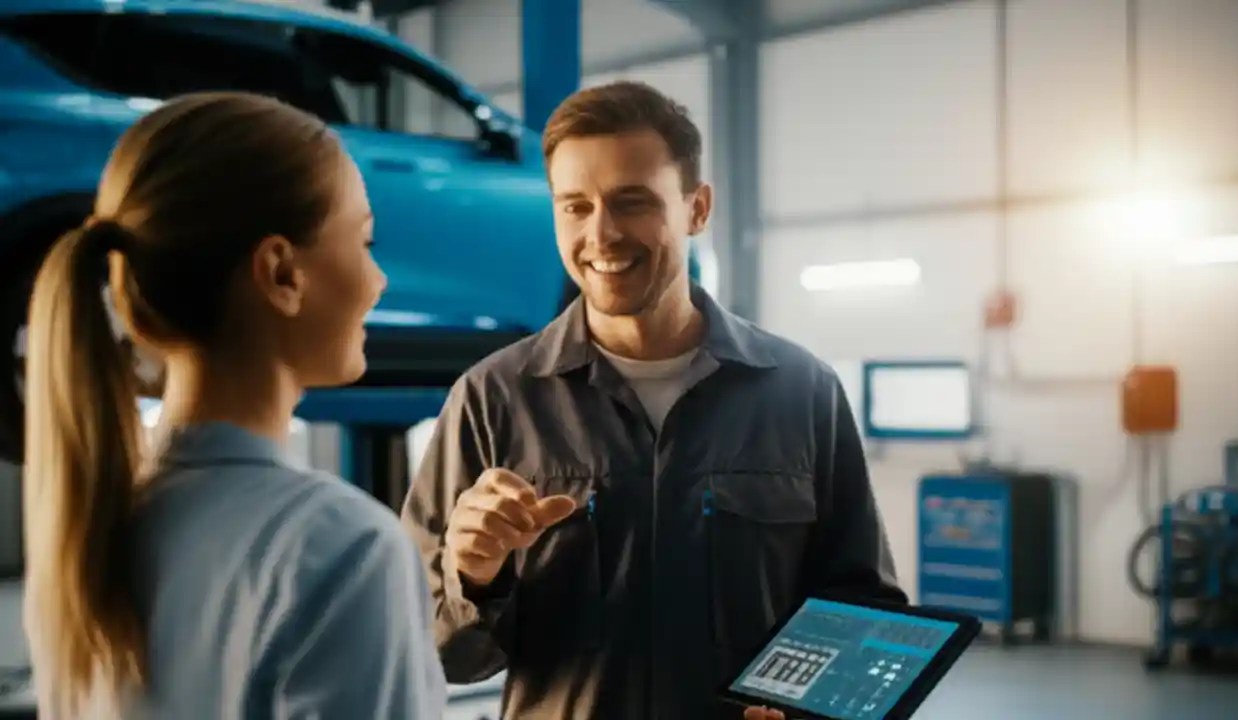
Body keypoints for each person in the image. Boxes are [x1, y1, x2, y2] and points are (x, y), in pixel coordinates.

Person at [402, 80, 906, 719]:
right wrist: (474, 576)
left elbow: (863, 613)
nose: (601, 234)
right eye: (574, 206)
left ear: (697, 208)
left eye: (631, 201)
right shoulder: (492, 399)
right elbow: (436, 653)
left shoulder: (801, 393)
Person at [21, 92, 446, 719]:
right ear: (281, 273)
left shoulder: (85, 535)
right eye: (364, 242)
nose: (378, 280)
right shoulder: (342, 549)